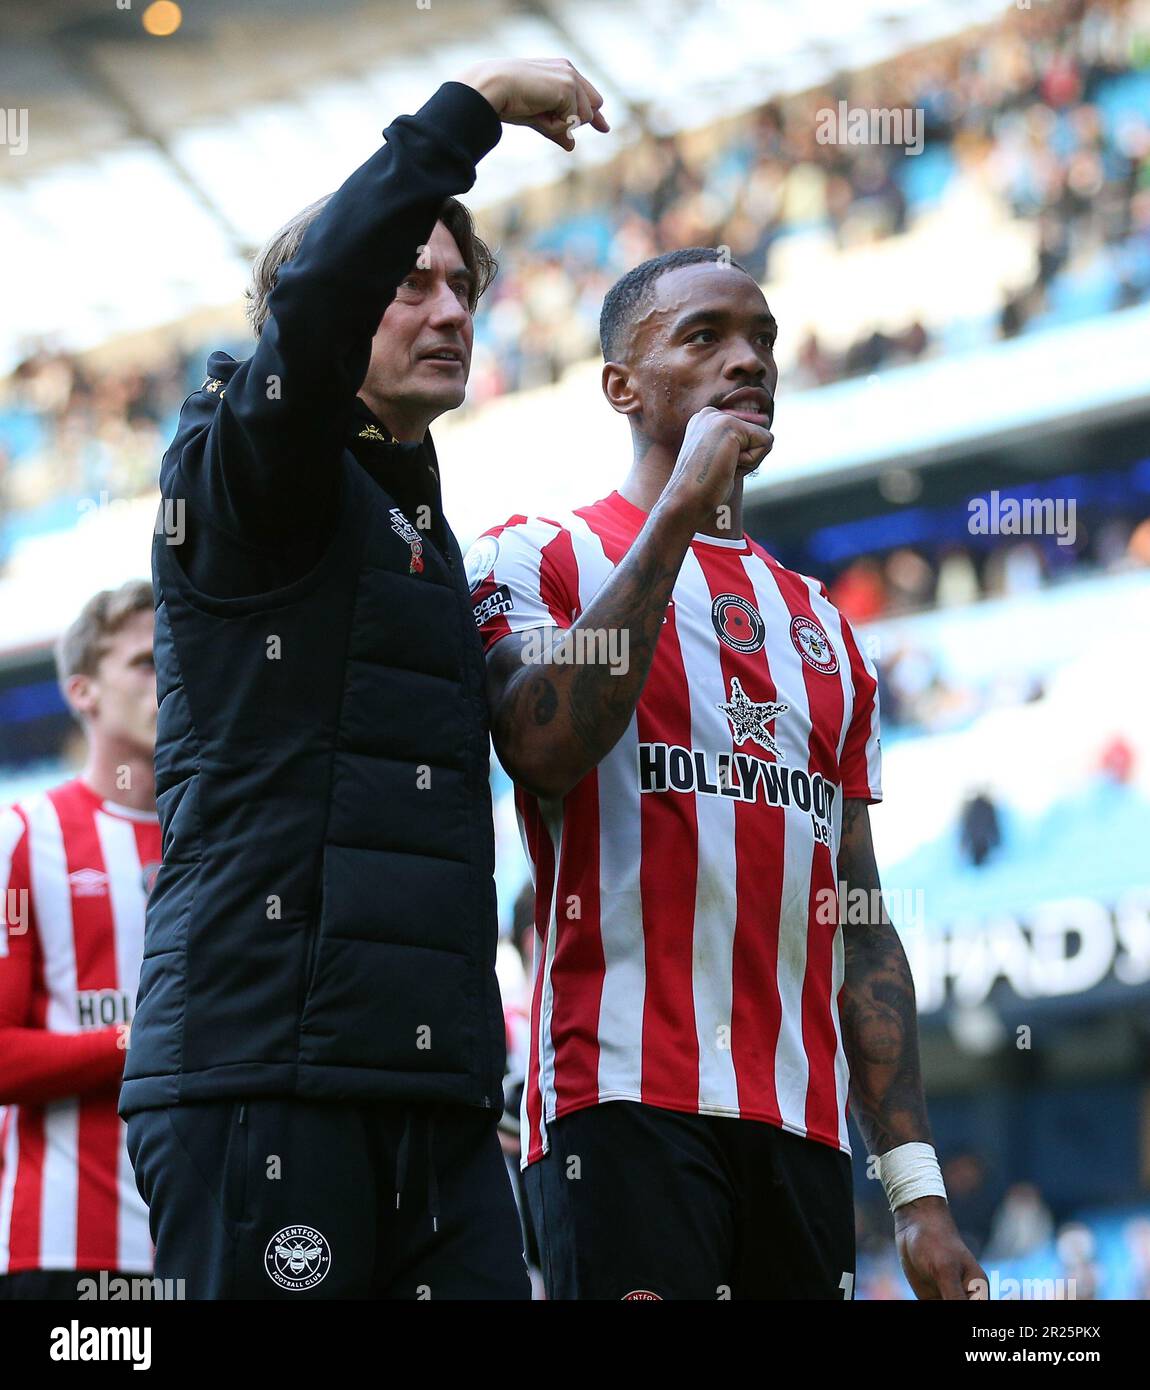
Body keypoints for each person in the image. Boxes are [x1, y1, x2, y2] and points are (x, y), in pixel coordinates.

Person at [120, 59, 608, 1300]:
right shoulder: (248, 469)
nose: (449, 312)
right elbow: (311, 321)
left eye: (463, 288)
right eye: (410, 281)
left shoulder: (421, 529)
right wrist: (471, 109)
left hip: (434, 1096)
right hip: (265, 1076)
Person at [468, 247, 985, 1300]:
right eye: (704, 338)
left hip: (799, 1131)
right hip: (618, 1103)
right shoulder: (537, 556)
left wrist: (917, 1194)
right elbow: (541, 745)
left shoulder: (825, 631)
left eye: (762, 340)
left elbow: (859, 925)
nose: (747, 361)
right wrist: (679, 513)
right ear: (621, 385)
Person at [0, 581, 159, 1298]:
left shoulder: (229, 845)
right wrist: (143, 1041)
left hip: (210, 1248)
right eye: (145, 663)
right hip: (67, 1252)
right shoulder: (25, 837)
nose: (169, 680)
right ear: (83, 691)